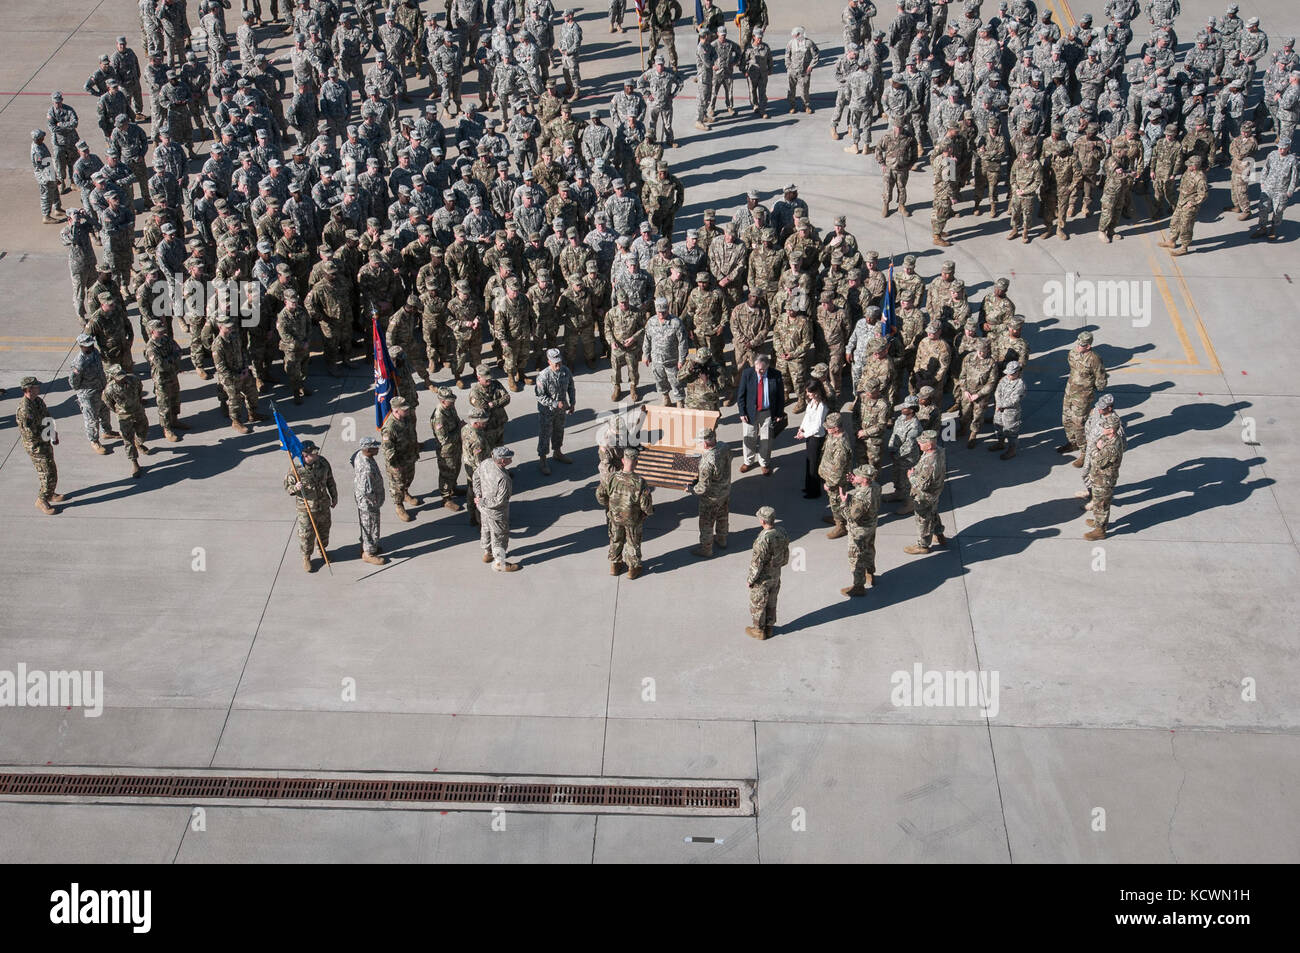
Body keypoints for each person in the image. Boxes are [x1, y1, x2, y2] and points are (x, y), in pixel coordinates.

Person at [597, 445, 654, 578]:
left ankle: (615, 565)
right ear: (637, 462)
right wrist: (648, 513)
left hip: (615, 517)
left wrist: (609, 505)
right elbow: (645, 505)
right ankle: (633, 569)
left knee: (615, 540)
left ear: (623, 460)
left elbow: (600, 494)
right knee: (633, 543)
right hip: (633, 520)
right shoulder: (640, 482)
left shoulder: (611, 478)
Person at [286, 440, 338, 573]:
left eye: (316, 453)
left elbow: (330, 480)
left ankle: (322, 549)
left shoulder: (323, 463)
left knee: (324, 529)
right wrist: (295, 488)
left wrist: (334, 496)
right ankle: (306, 557)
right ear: (304, 455)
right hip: (306, 508)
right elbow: (287, 487)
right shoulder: (296, 469)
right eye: (312, 454)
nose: (316, 455)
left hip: (323, 504)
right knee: (306, 534)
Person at [1057, 331, 1108, 459]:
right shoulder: (1072, 353)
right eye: (1078, 343)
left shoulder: (1094, 359)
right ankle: (1072, 443)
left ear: (1088, 346)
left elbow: (1101, 379)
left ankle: (1084, 451)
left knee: (1079, 424)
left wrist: (1091, 389)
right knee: (1066, 420)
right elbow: (1072, 369)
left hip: (1083, 396)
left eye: (1082, 345)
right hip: (1069, 392)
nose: (1079, 346)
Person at [17, 376, 63, 515]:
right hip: (36, 446)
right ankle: (41, 500)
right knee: (46, 472)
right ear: (29, 389)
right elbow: (31, 434)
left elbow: (47, 417)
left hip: (44, 441)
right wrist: (46, 435)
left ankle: (49, 493)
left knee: (52, 469)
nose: (39, 388)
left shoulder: (37, 401)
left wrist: (53, 433)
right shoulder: (25, 410)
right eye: (36, 387)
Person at [746, 505, 790, 640]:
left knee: (758, 603)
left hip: (763, 577)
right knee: (772, 600)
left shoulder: (762, 540)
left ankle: (759, 630)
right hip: (776, 574)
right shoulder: (782, 532)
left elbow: (757, 563)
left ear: (762, 521)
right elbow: (786, 553)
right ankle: (769, 627)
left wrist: (751, 580)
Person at [736, 351, 783, 474]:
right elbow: (741, 395)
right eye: (757, 368)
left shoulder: (776, 375)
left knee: (766, 439)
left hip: (767, 413)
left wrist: (779, 414)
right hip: (750, 412)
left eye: (762, 370)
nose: (759, 372)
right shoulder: (747, 374)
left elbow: (780, 396)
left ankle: (764, 462)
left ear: (767, 366)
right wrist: (742, 412)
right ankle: (748, 461)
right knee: (749, 438)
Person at [474, 445, 520, 571]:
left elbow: (475, 477)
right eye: (509, 457)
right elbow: (500, 500)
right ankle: (500, 562)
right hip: (497, 513)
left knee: (486, 530)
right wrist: (483, 500)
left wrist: (478, 496)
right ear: (503, 461)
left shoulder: (486, 463)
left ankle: (487, 553)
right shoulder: (503, 478)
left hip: (483, 509)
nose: (511, 459)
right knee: (500, 535)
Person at [903, 430, 947, 554]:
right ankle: (939, 534)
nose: (919, 444)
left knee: (923, 519)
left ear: (930, 444)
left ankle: (923, 545)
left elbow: (921, 485)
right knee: (933, 512)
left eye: (922, 443)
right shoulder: (939, 450)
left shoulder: (929, 463)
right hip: (935, 491)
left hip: (925, 496)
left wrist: (911, 476)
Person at [841, 463, 881, 597]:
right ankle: (870, 573)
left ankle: (858, 586)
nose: (855, 475)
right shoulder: (876, 487)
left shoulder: (860, 498)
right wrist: (856, 483)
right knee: (869, 549)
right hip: (871, 526)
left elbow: (851, 517)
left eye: (858, 475)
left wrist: (844, 503)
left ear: (864, 479)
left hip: (859, 531)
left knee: (856, 557)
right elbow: (865, 491)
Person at [68, 333, 112, 454]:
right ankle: (94, 441)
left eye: (91, 344)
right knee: (92, 419)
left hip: (101, 389)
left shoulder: (95, 352)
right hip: (88, 394)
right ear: (81, 346)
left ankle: (107, 432)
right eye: (88, 345)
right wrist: (85, 391)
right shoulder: (79, 363)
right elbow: (73, 383)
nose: (91, 346)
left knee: (104, 411)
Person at [690, 426, 731, 557]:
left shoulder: (706, 463)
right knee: (723, 517)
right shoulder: (724, 447)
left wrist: (691, 489)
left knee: (706, 524)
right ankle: (722, 539)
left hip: (711, 498)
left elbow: (702, 488)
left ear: (705, 443)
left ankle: (706, 549)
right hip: (724, 491)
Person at [534, 347, 576, 475]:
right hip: (547, 411)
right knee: (545, 434)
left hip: (561, 409)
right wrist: (554, 403)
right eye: (555, 363)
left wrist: (573, 402)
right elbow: (539, 396)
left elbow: (571, 387)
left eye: (560, 362)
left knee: (559, 430)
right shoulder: (543, 376)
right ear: (549, 362)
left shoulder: (565, 371)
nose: (558, 365)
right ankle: (543, 460)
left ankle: (557, 452)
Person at [1084, 417, 1124, 540]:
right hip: (1099, 478)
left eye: (1105, 427)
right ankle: (1098, 522)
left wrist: (1096, 448)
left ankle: (1100, 530)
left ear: (1111, 430)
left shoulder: (1112, 447)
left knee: (1102, 504)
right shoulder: (1109, 438)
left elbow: (1098, 461)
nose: (1102, 428)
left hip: (1104, 480)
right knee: (1097, 501)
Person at [382, 395, 421, 522]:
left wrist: (415, 451)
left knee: (409, 477)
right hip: (397, 462)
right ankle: (399, 505)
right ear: (396, 410)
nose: (407, 410)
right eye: (404, 409)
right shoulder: (389, 427)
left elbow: (412, 434)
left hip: (409, 456)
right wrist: (396, 465)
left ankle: (405, 493)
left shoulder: (407, 418)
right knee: (397, 484)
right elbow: (388, 450)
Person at [352, 436, 388, 566]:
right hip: (368, 503)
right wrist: (375, 502)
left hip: (363, 500)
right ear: (367, 449)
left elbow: (352, 460)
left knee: (367, 525)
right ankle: (369, 553)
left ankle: (368, 546)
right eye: (374, 447)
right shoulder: (366, 469)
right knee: (371, 527)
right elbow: (366, 491)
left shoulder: (359, 455)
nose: (377, 449)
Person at [818, 411, 853, 538]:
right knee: (833, 500)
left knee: (837, 500)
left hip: (837, 480)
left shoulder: (841, 446)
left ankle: (841, 526)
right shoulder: (834, 435)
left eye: (829, 427)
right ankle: (836, 517)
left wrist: (829, 483)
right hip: (830, 475)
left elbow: (838, 469)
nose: (827, 429)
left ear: (836, 428)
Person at [430, 387, 465, 512]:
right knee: (447, 473)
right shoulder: (439, 417)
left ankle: (453, 488)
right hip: (446, 451)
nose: (453, 402)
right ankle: (446, 498)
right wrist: (459, 429)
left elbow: (455, 421)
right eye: (450, 400)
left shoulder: (450, 407)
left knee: (456, 468)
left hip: (455, 446)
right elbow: (444, 439)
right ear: (442, 401)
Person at [796, 379, 828, 498]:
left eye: (809, 392)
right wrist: (802, 428)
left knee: (813, 465)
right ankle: (809, 487)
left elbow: (817, 427)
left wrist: (804, 434)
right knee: (809, 462)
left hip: (816, 437)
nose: (808, 394)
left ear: (816, 392)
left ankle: (814, 491)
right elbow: (807, 416)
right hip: (809, 435)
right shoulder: (812, 402)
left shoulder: (822, 406)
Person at [989, 360, 1025, 459]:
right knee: (998, 426)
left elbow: (1014, 400)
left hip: (1011, 412)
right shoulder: (1004, 379)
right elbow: (998, 392)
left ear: (1018, 372)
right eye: (1008, 373)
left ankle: (1012, 450)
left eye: (1012, 374)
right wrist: (998, 403)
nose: (1009, 375)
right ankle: (1000, 443)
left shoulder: (1020, 384)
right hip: (999, 409)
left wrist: (1001, 405)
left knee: (1011, 430)